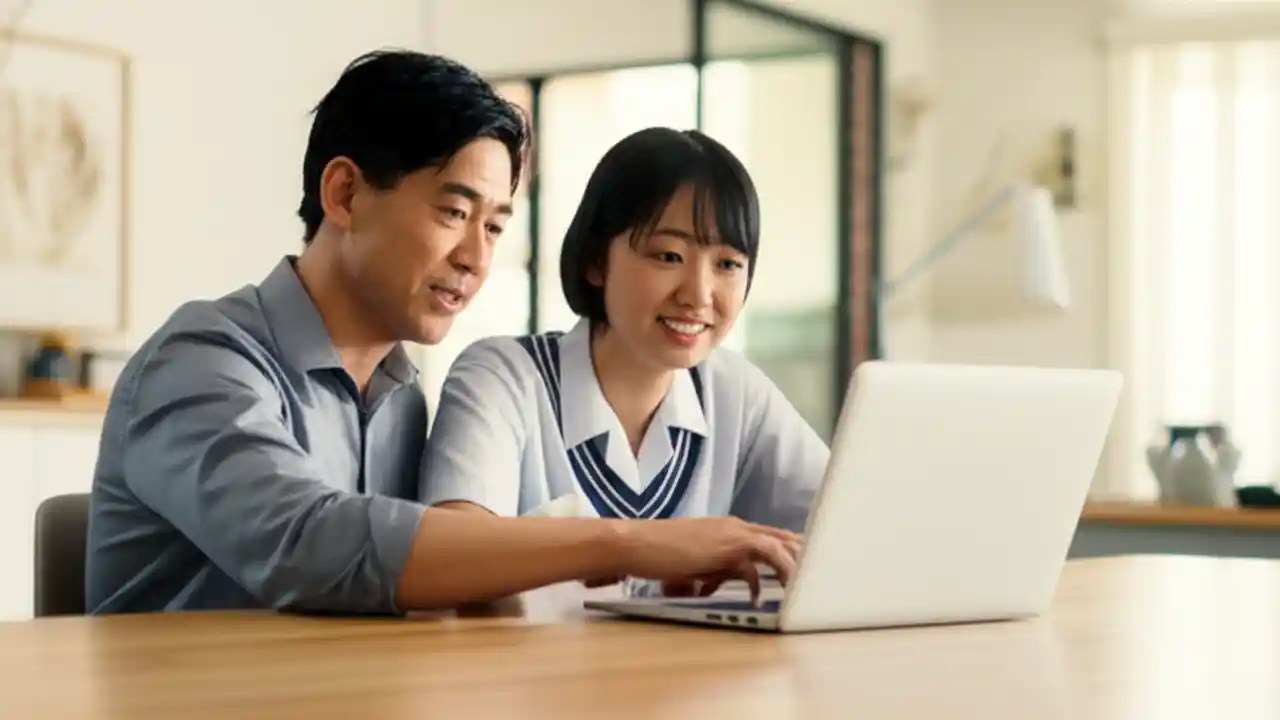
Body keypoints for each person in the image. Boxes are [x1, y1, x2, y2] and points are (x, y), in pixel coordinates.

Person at [85, 50, 800, 615]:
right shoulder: (203, 360)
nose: (476, 257)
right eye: (454, 213)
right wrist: (631, 542)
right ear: (345, 194)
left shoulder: (401, 400)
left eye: (494, 225)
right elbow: (307, 546)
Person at [420, 127, 829, 542]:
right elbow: (455, 547)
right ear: (597, 261)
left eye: (727, 264)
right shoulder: (504, 378)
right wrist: (634, 549)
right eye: (669, 256)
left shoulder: (736, 394)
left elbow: (848, 523)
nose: (698, 295)